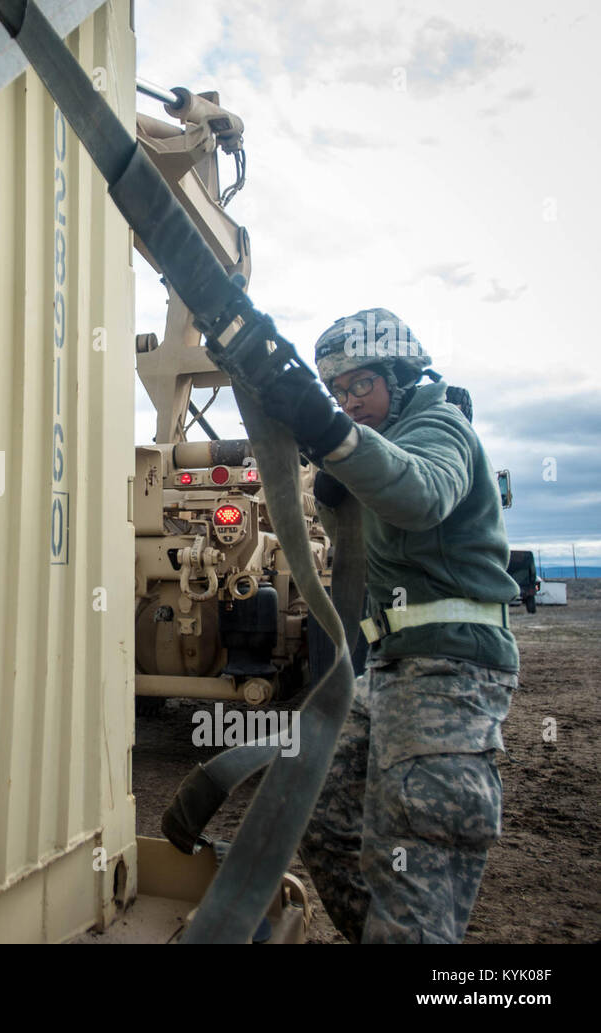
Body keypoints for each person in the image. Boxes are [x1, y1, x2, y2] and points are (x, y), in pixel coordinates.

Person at [258, 307, 520, 943]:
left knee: (412, 852)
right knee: (316, 813)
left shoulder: (440, 424)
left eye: (361, 386)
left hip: (450, 671)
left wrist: (337, 438)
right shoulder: (379, 445)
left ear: (400, 377)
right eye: (338, 393)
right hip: (390, 668)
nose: (349, 402)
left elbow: (421, 494)